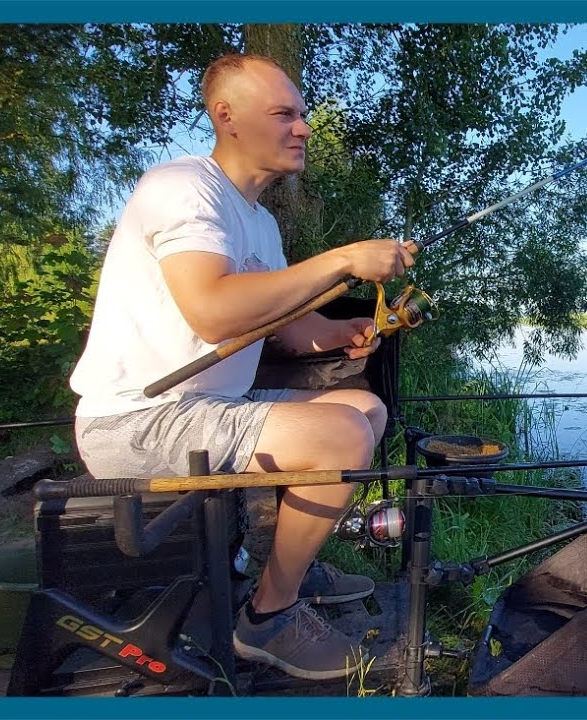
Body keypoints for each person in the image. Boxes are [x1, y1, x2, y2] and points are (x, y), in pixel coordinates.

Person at [67, 53, 415, 681]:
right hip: (139, 420)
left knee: (365, 408)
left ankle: (291, 570)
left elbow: (286, 327)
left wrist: (341, 332)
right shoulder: (181, 187)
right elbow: (213, 312)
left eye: (301, 114)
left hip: (208, 408)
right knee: (340, 436)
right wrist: (342, 259)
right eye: (284, 114)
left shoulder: (259, 222)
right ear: (226, 116)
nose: (303, 128)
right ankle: (267, 619)